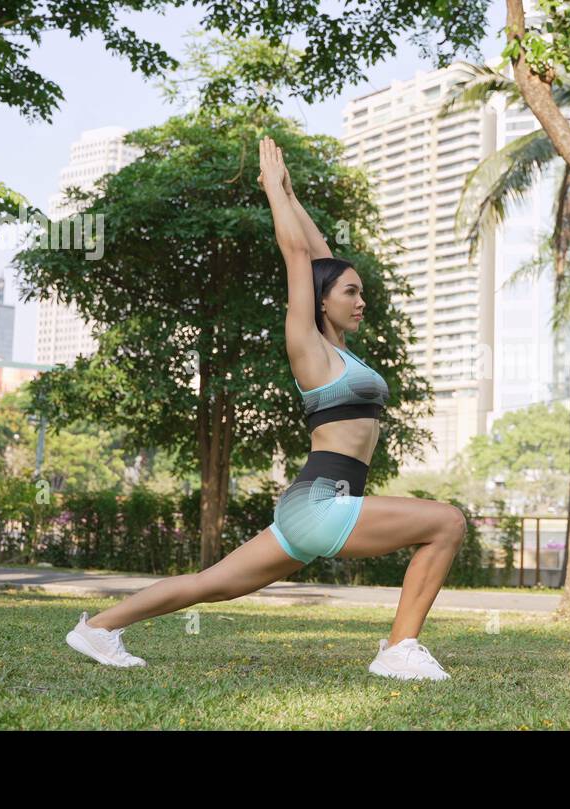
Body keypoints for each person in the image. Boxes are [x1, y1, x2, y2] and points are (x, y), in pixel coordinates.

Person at [64, 136, 466, 681]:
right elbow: (301, 257)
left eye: (361, 291)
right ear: (323, 301)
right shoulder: (308, 345)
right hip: (323, 503)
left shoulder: (339, 350)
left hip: (311, 505)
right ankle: (398, 649)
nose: (361, 299)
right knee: (446, 522)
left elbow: (321, 256)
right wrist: (274, 192)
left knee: (214, 584)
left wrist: (293, 195)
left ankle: (97, 629)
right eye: (351, 292)